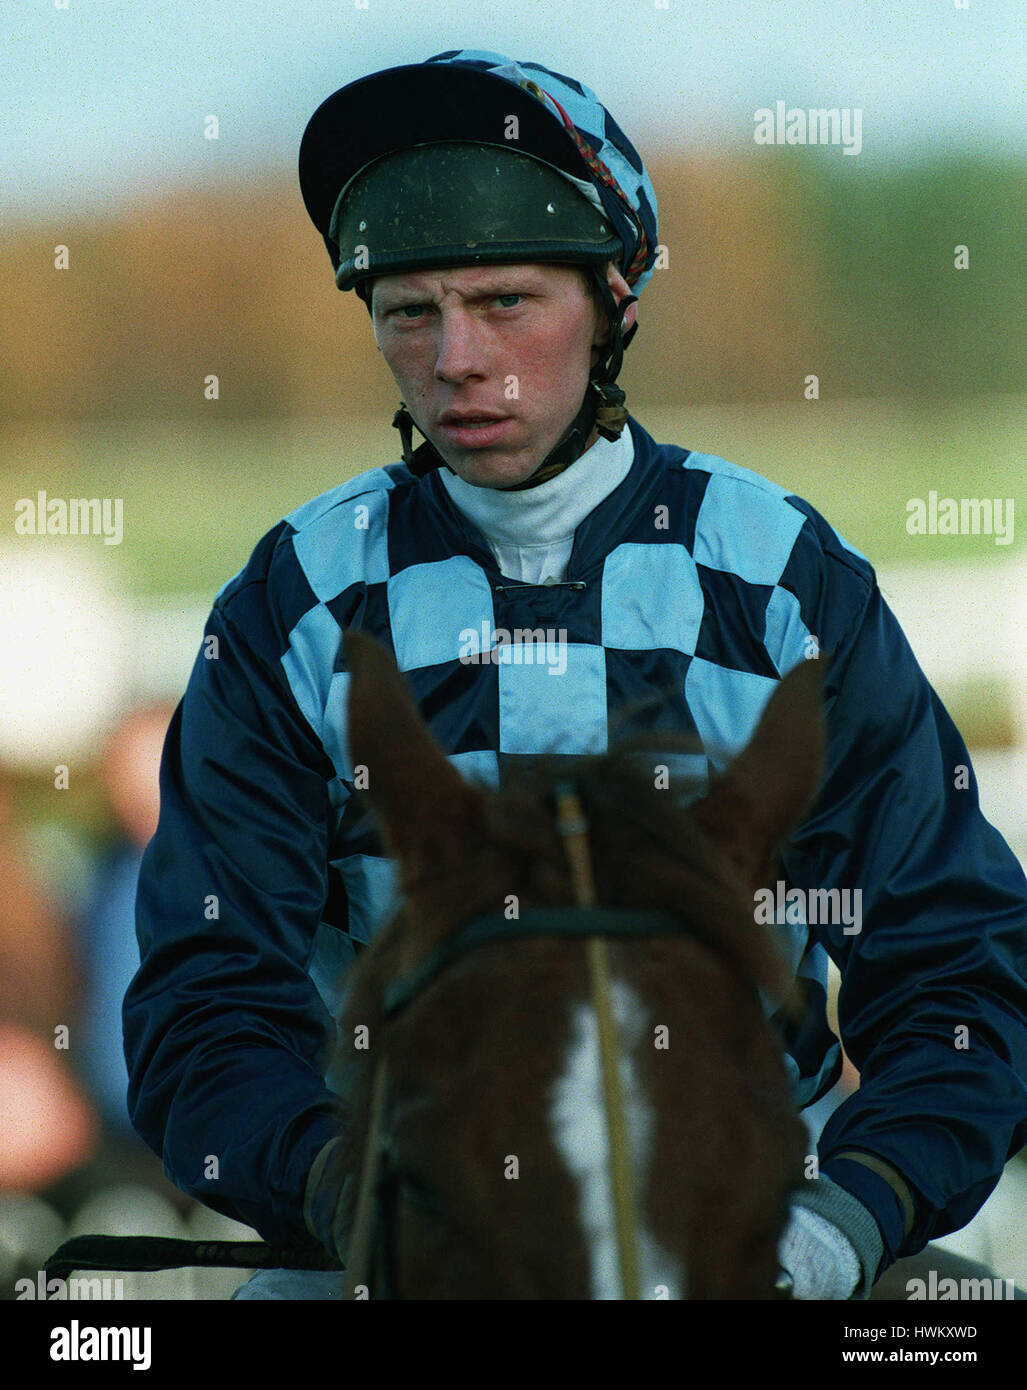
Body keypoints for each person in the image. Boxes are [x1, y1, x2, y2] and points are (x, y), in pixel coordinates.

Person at [123, 49, 1027, 1300]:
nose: (454, 359)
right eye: (408, 311)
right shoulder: (298, 600)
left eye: (504, 302)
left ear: (613, 303)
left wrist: (843, 1222)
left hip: (759, 1220)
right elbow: (206, 1001)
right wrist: (360, 1193)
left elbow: (955, 965)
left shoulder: (781, 581)